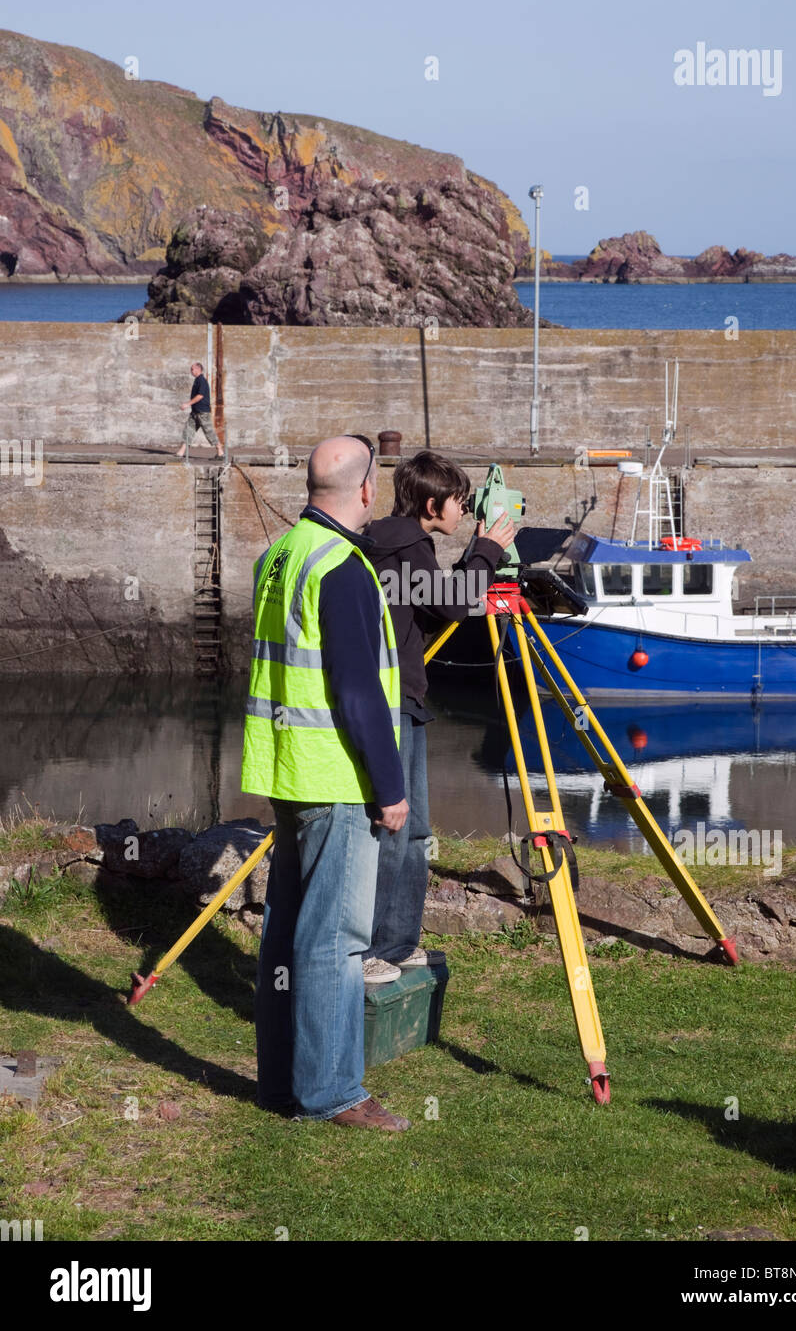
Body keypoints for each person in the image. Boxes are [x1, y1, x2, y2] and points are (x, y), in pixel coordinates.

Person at [241, 434, 412, 1132]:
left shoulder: (279, 554)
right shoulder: (341, 566)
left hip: (286, 768)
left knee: (287, 933)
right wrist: (391, 784)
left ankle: (284, 1082)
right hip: (336, 777)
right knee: (335, 940)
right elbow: (356, 688)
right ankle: (334, 1091)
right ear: (366, 489)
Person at [362, 450, 515, 983]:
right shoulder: (405, 543)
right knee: (396, 830)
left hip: (400, 697)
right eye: (460, 502)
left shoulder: (390, 541)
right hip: (392, 699)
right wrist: (490, 550)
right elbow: (451, 604)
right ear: (433, 505)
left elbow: (424, 600)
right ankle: (375, 950)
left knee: (416, 831)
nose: (464, 509)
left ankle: (399, 943)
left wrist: (475, 555)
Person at [176, 362, 224, 461]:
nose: (191, 371)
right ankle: (181, 452)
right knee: (188, 430)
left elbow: (200, 395)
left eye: (192, 369)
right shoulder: (197, 380)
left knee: (209, 432)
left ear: (198, 369)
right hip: (195, 412)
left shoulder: (201, 380)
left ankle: (220, 452)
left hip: (203, 412)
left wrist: (187, 404)